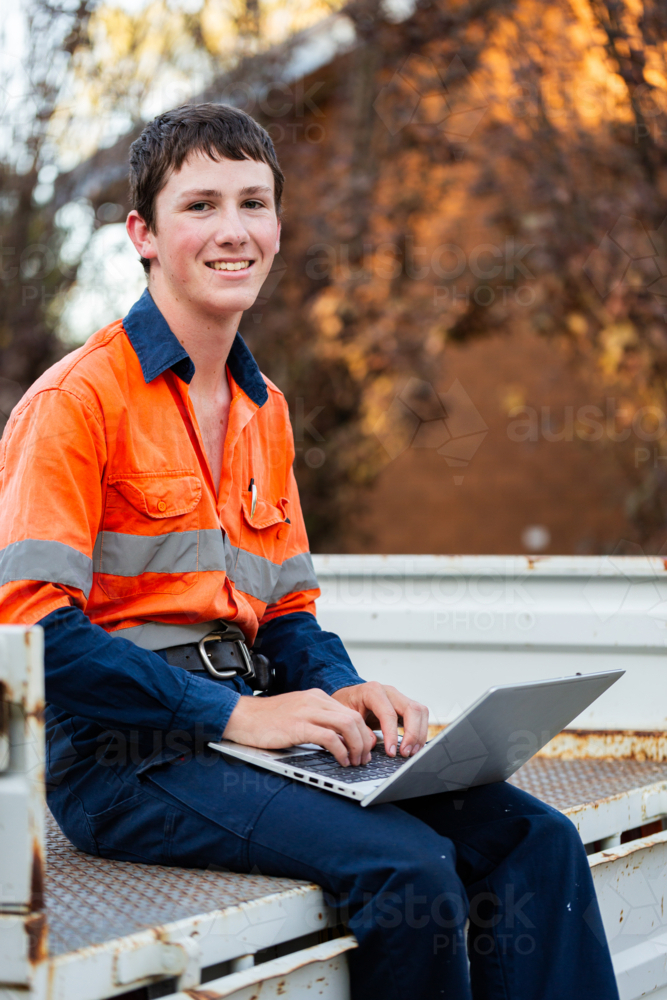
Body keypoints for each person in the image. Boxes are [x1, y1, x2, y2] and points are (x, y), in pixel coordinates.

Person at [0, 103, 618, 999]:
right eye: (200, 206)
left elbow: (287, 614)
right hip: (122, 761)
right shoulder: (75, 402)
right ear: (142, 233)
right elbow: (33, 636)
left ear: (278, 228)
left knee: (537, 838)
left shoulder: (265, 412)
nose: (233, 230)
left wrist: (342, 689)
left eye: (253, 203)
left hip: (247, 734)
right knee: (408, 869)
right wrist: (233, 717)